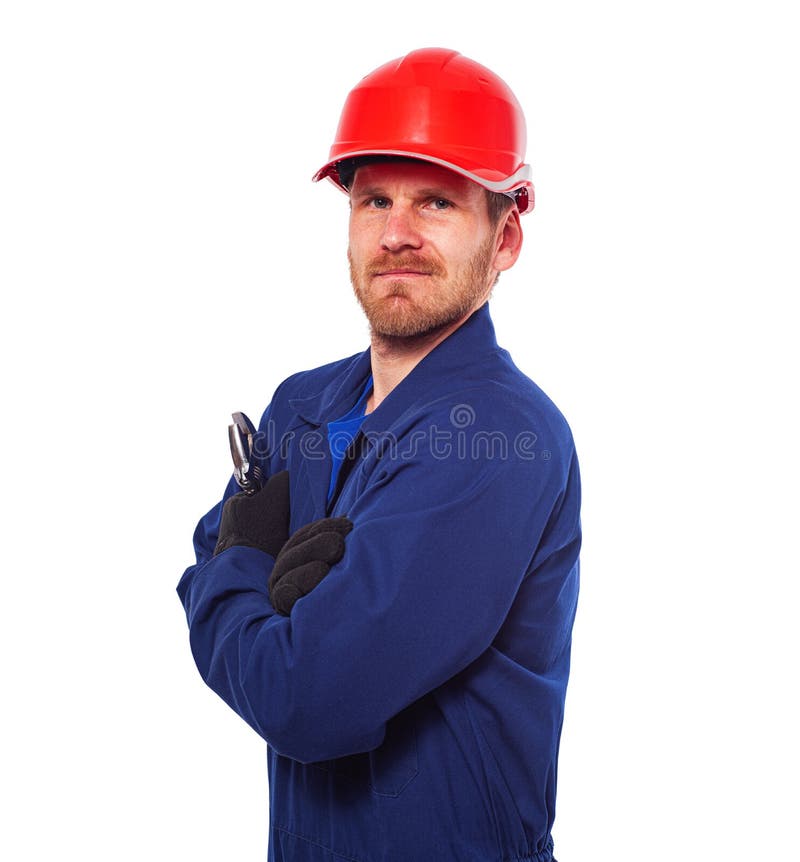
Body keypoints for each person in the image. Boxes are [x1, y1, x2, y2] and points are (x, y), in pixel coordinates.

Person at [178, 47, 581, 862]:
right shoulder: (303, 403)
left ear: (505, 237)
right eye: (375, 200)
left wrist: (246, 571)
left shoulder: (500, 439)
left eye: (436, 201)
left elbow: (307, 698)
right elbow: (194, 566)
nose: (397, 233)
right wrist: (258, 589)